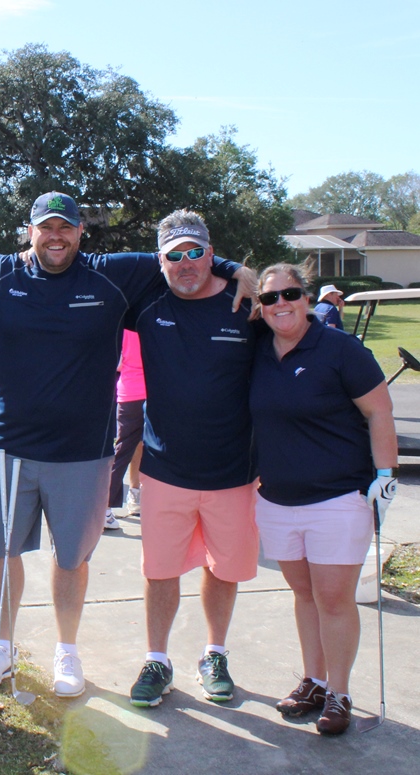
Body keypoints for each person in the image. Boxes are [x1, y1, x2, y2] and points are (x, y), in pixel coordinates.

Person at [0, 192, 252, 698]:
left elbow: (181, 256)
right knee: (0, 551)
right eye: (46, 227)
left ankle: (67, 652)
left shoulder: (112, 273)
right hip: (11, 444)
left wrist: (237, 270)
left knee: (71, 559)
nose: (56, 236)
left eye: (66, 227)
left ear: (81, 232)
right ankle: (2, 645)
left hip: (84, 450)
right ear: (30, 232)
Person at [250, 263, 397, 736]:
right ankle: (312, 680)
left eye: (289, 294)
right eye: (269, 297)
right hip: (276, 498)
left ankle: (339, 692)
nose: (280, 304)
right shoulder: (256, 349)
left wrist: (386, 475)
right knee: (303, 594)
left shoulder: (339, 348)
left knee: (334, 598)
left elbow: (379, 411)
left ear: (306, 297)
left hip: (337, 497)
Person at [125, 210, 259, 709]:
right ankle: (157, 659)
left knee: (222, 568)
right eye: (174, 255)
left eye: (196, 253)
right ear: (160, 260)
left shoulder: (245, 304)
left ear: (210, 252)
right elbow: (105, 264)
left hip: (234, 472)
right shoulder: (145, 303)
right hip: (165, 471)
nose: (186, 264)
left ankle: (215, 654)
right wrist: (225, 262)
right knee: (159, 571)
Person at [105, 330, 145, 530]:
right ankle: (103, 507)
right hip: (147, 392)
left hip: (130, 392)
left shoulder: (125, 327)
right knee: (126, 449)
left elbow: (117, 362)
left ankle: (134, 495)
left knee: (129, 447)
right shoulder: (153, 319)